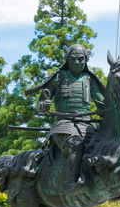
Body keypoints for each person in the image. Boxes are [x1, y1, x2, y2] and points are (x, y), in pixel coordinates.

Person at [23, 44, 105, 190]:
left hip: (86, 125)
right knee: (76, 144)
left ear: (86, 60)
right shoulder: (59, 77)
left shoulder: (89, 79)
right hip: (63, 125)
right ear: (67, 59)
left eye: (81, 59)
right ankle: (71, 183)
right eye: (73, 59)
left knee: (102, 145)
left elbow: (102, 104)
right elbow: (41, 103)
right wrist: (44, 105)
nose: (77, 63)